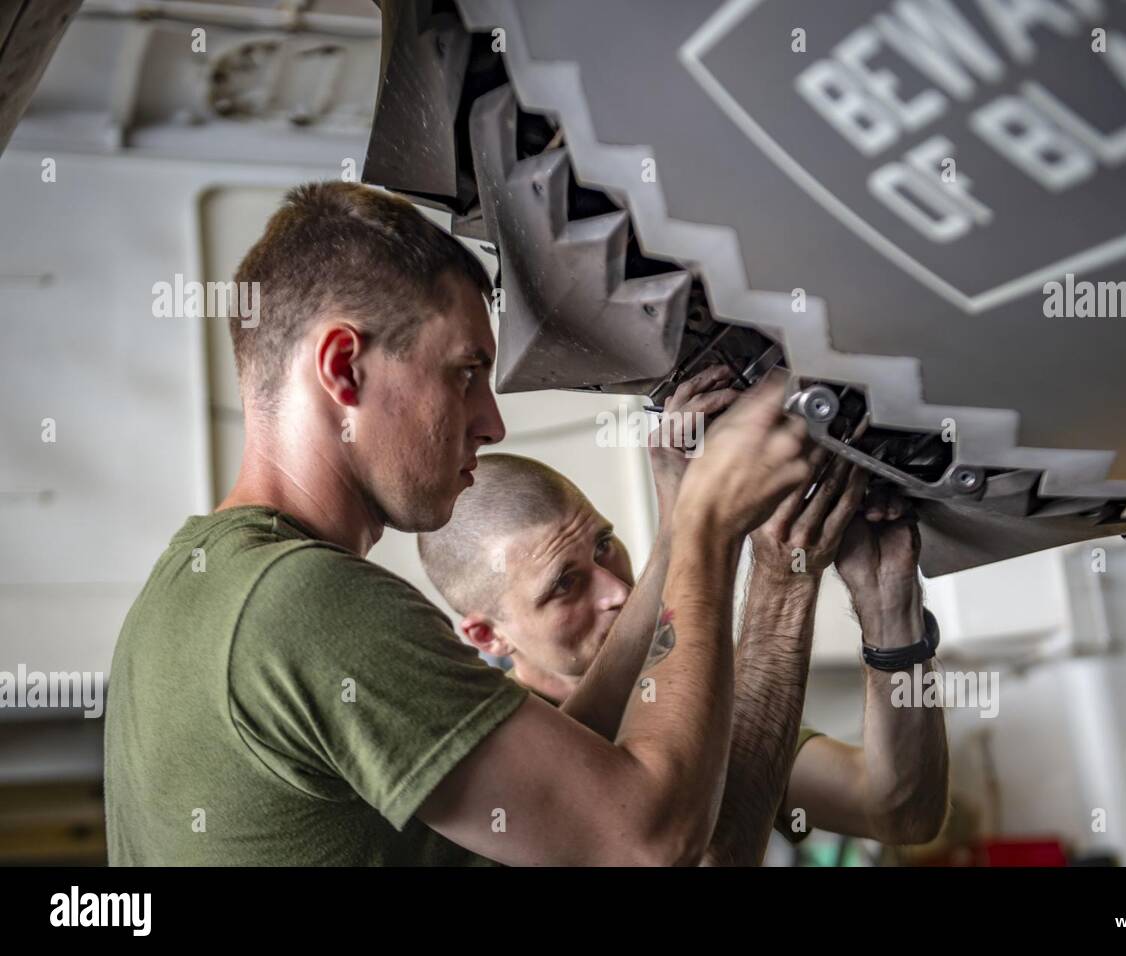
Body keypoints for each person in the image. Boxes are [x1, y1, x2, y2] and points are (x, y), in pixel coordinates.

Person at [104, 181, 811, 866]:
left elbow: (558, 768)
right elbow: (646, 841)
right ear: (344, 367)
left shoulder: (191, 592)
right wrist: (710, 528)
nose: (492, 424)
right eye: (465, 372)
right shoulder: (305, 604)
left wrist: (676, 530)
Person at [419, 368, 950, 865]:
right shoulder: (490, 764)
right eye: (564, 585)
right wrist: (783, 583)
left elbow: (901, 810)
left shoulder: (684, 697)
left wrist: (890, 612)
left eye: (604, 546)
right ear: (487, 634)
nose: (617, 591)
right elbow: (694, 855)